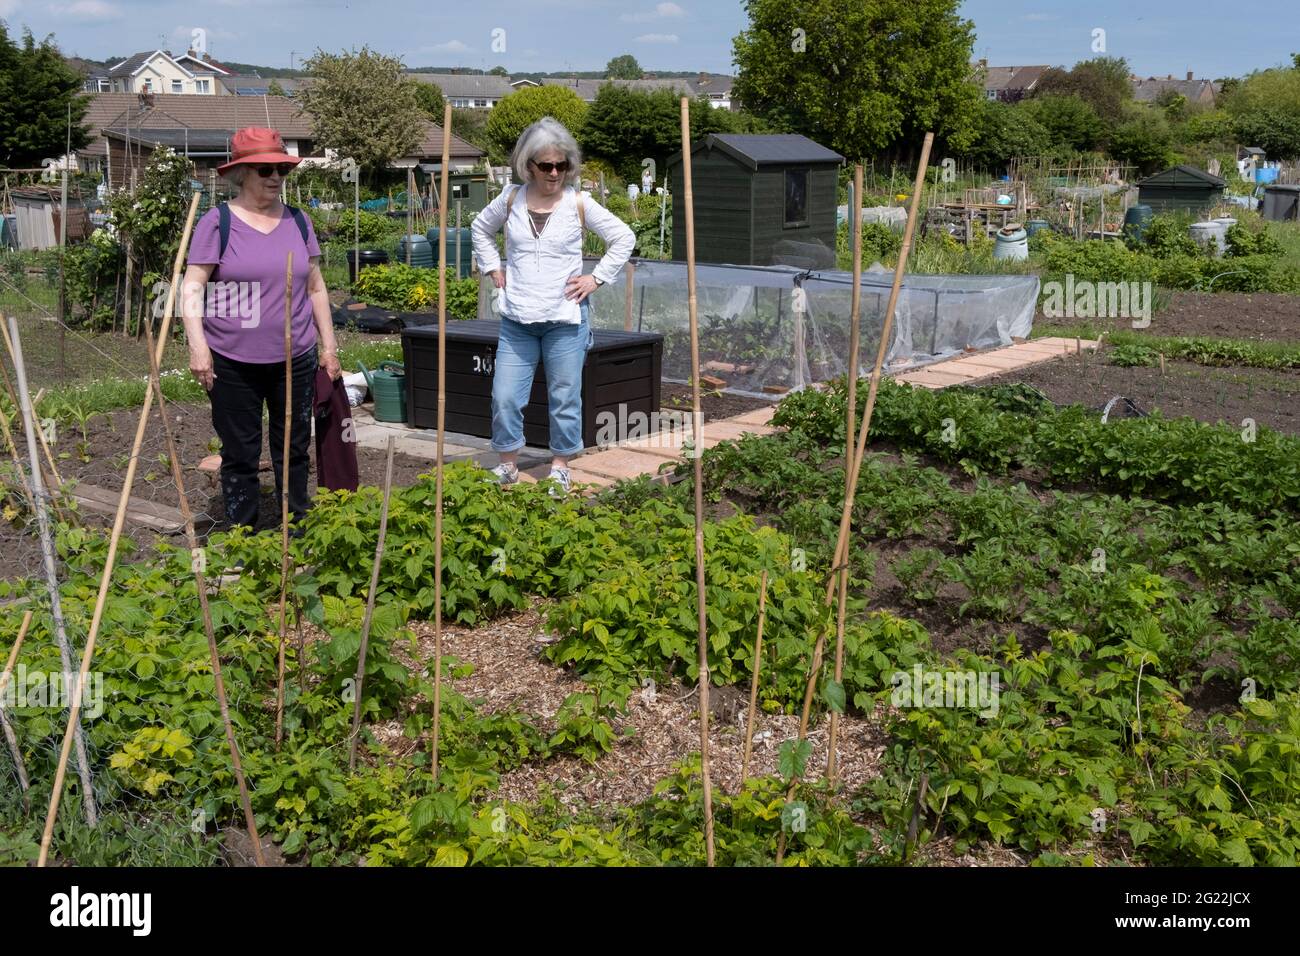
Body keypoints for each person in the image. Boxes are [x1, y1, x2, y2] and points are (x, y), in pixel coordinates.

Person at [181, 127, 342, 530]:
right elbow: (193, 287)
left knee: (294, 447)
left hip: (296, 358)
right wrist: (198, 346)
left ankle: (297, 525)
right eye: (264, 169)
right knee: (241, 451)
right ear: (241, 174)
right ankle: (244, 535)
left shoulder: (298, 221)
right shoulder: (217, 223)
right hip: (233, 361)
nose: (275, 177)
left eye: (281, 170)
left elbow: (316, 287)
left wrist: (329, 346)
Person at [471, 116, 634, 495]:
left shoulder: (578, 203)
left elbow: (623, 237)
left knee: (564, 396)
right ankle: (508, 465)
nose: (555, 172)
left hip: (565, 318)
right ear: (528, 165)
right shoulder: (509, 198)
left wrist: (596, 278)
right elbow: (480, 228)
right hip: (518, 319)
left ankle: (560, 465)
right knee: (505, 395)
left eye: (562, 165)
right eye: (546, 165)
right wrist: (493, 266)